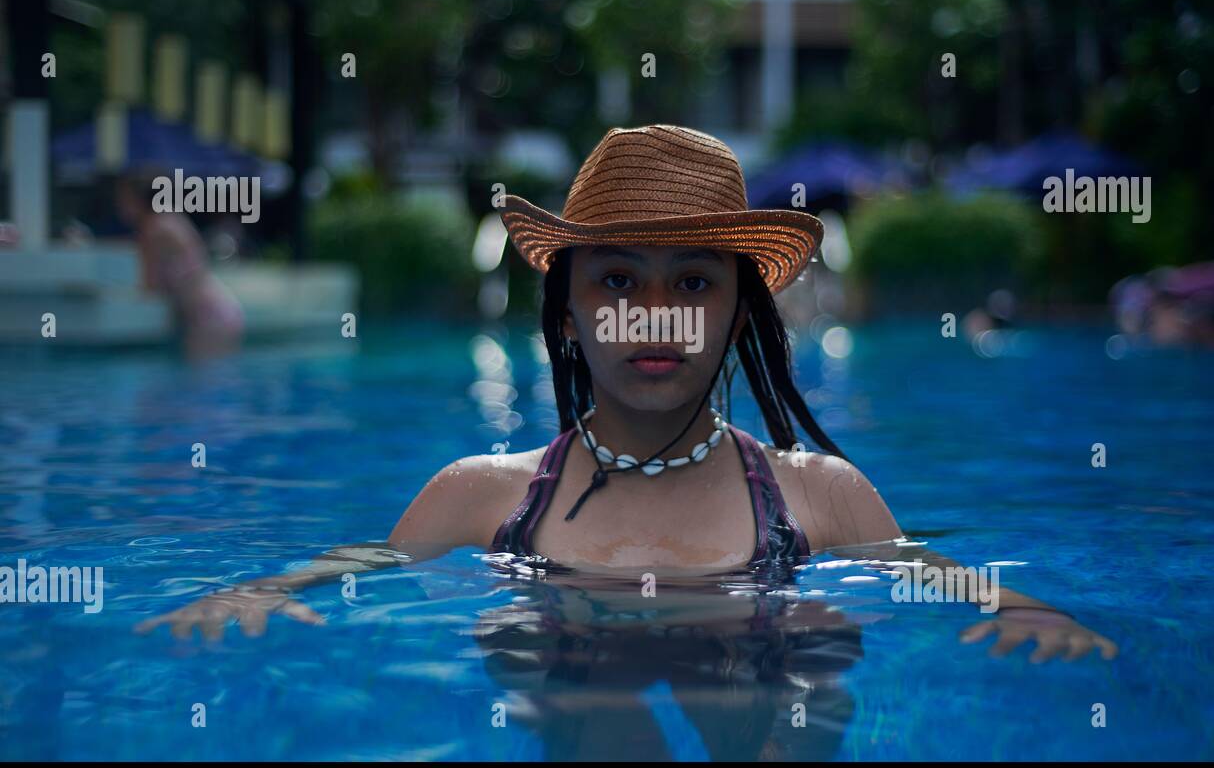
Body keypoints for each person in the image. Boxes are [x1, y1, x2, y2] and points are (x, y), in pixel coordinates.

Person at [138, 126, 1116, 668]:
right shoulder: (483, 496)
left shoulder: (821, 495)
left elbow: (927, 570)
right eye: (615, 281)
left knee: (816, 632)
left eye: (693, 283)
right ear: (565, 313)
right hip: (572, 713)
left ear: (740, 314)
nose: (654, 315)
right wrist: (262, 586)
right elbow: (376, 560)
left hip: (768, 719)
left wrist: (1024, 606)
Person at [114, 169, 245, 360]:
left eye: (124, 198)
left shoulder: (152, 230)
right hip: (222, 309)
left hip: (206, 317)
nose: (120, 206)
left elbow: (149, 288)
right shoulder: (171, 219)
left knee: (199, 384)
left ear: (137, 199)